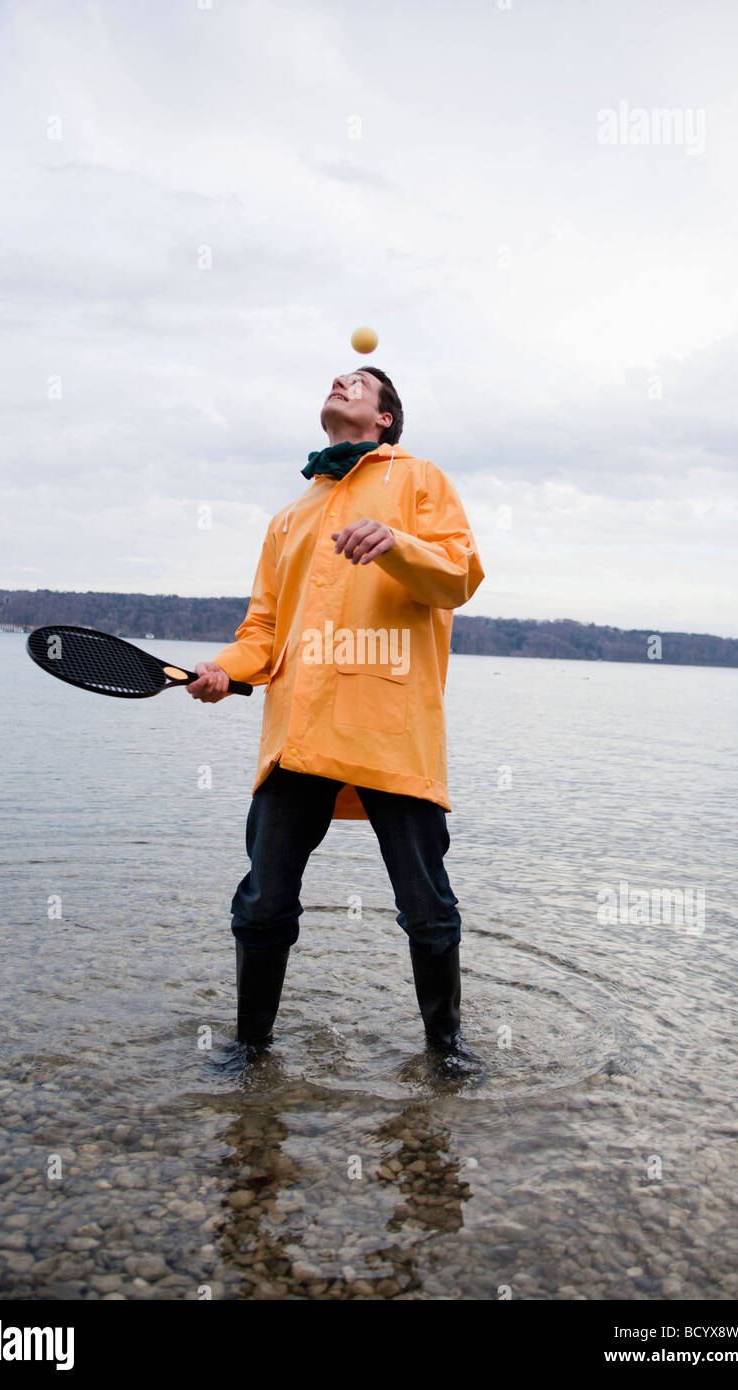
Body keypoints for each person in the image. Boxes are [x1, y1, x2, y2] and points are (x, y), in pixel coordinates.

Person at [187, 366, 484, 1069]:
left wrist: (397, 543)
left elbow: (460, 573)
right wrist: (227, 669)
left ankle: (447, 1048)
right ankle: (250, 1047)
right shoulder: (289, 516)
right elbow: (265, 630)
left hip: (392, 730)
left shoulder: (420, 480)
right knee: (262, 900)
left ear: (386, 419)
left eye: (360, 382)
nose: (342, 381)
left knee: (427, 903)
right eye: (336, 378)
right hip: (298, 734)